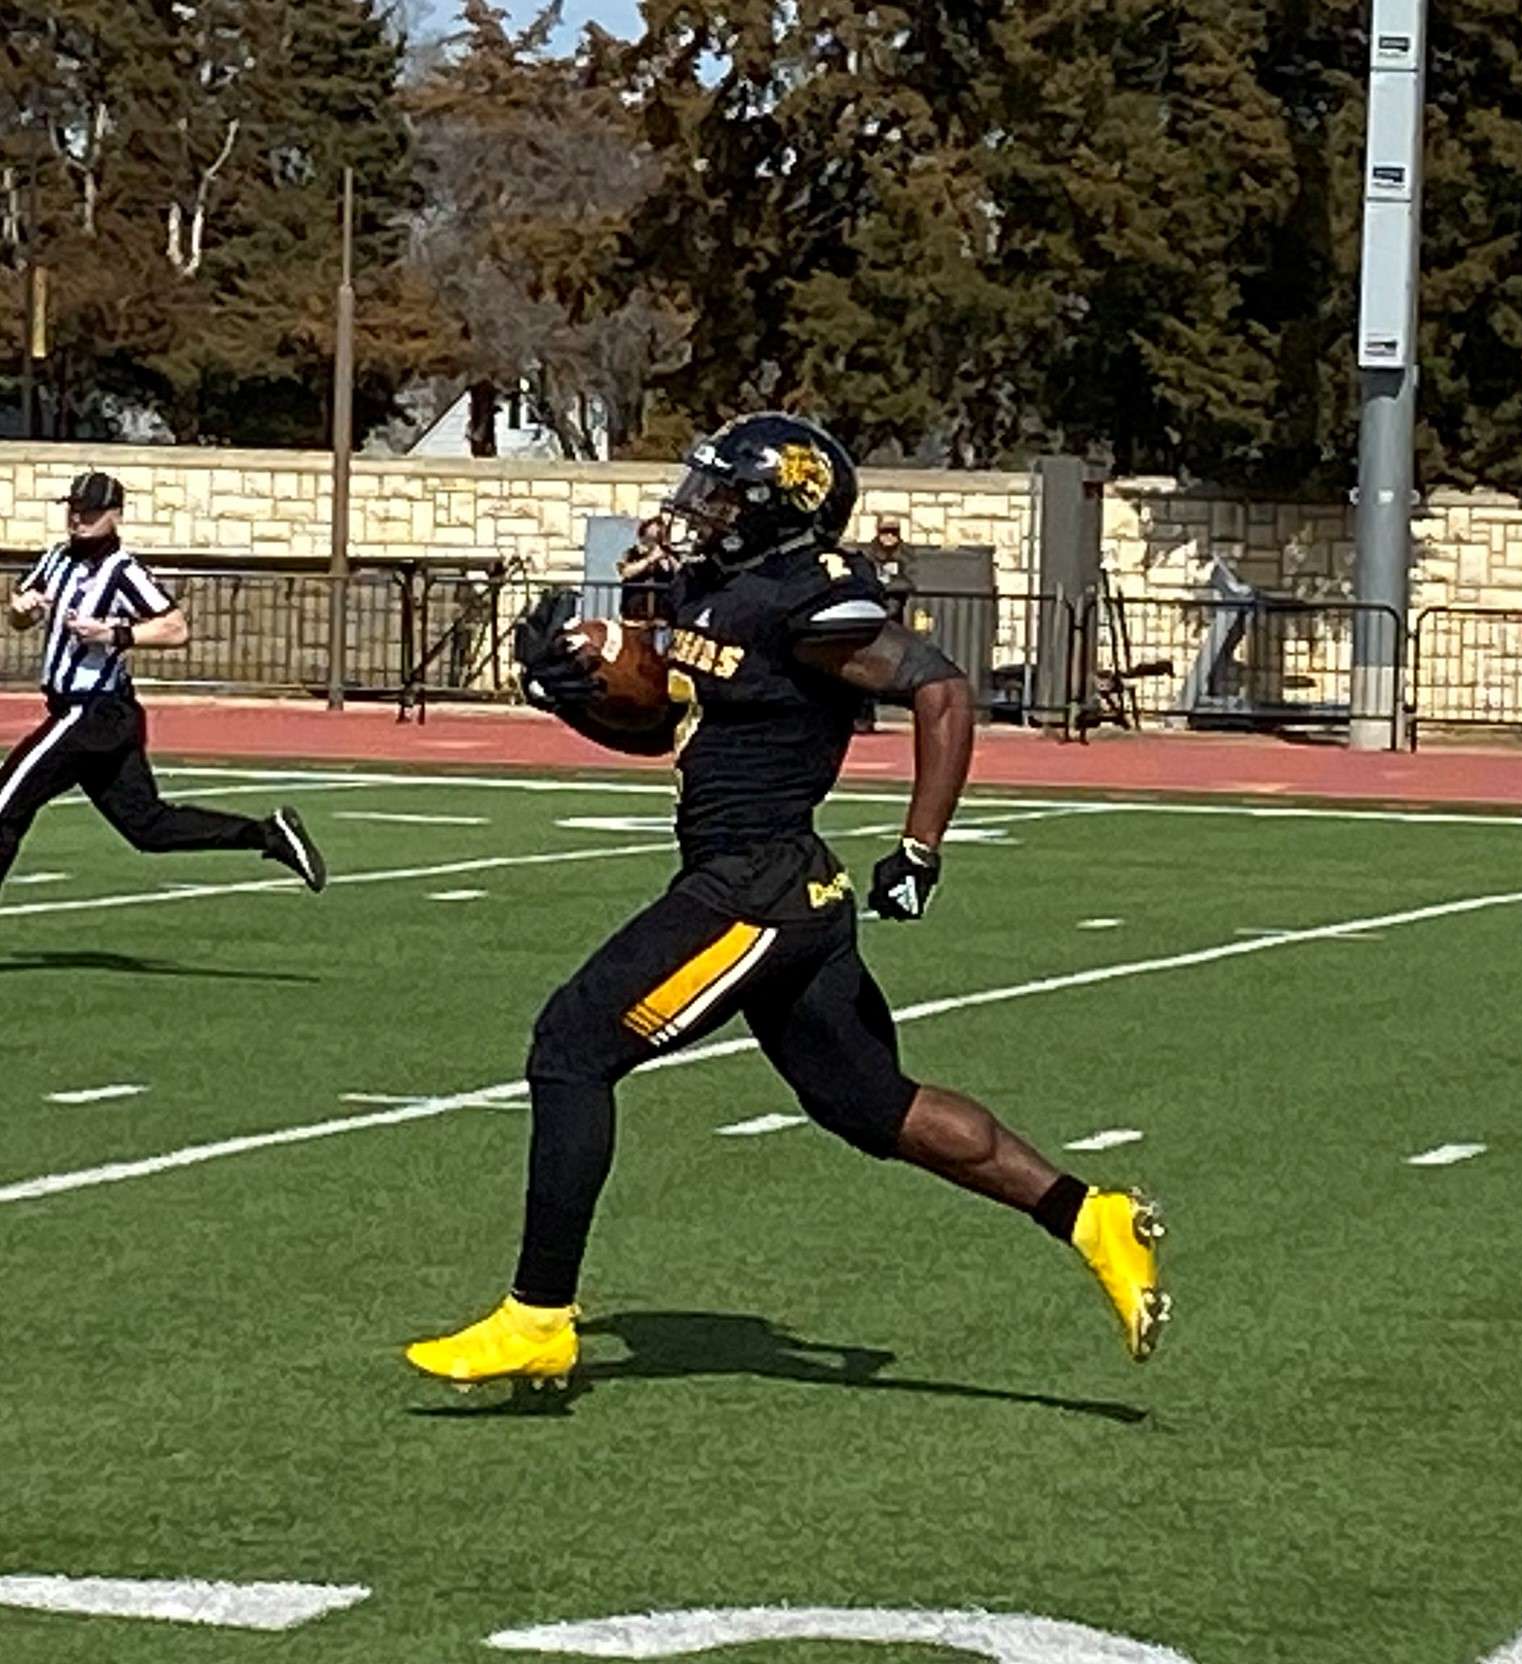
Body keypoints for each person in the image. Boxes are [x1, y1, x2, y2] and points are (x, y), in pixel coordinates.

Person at [404, 413, 1169, 1391]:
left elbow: (942, 691)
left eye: (720, 493)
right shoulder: (705, 591)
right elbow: (672, 734)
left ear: (775, 508)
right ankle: (1088, 1213)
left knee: (570, 1044)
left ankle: (537, 1314)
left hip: (757, 883)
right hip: (771, 882)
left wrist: (920, 846)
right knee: (870, 1104)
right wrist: (572, 698)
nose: (697, 507)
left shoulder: (810, 596)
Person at [2, 471, 327, 898]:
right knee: (148, 825)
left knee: (6, 803)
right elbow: (20, 613)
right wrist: (22, 608)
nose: (78, 518)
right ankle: (267, 834)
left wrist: (114, 635)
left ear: (115, 515)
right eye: (74, 508)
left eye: (91, 510)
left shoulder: (122, 571)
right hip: (92, 713)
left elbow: (175, 628)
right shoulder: (57, 558)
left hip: (93, 711)